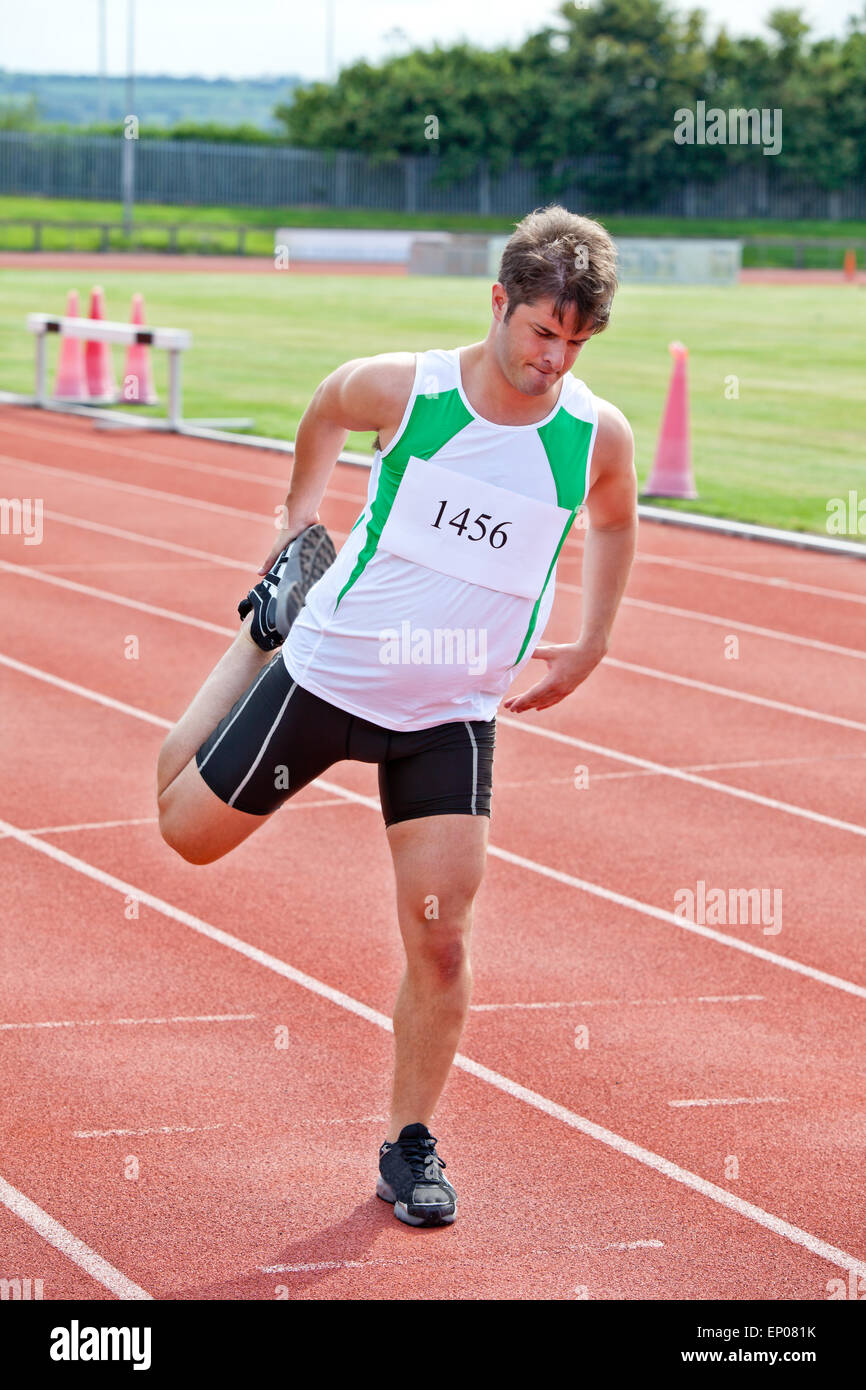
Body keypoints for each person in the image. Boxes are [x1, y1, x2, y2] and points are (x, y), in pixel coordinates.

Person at [156, 204, 638, 1228]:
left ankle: (406, 1142)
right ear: (498, 301)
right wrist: (297, 523)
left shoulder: (590, 433)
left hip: (449, 713)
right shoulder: (410, 390)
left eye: (575, 341)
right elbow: (326, 405)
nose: (554, 358)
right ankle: (258, 632)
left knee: (442, 941)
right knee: (182, 831)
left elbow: (613, 517)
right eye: (541, 331)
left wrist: (590, 642)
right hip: (326, 675)